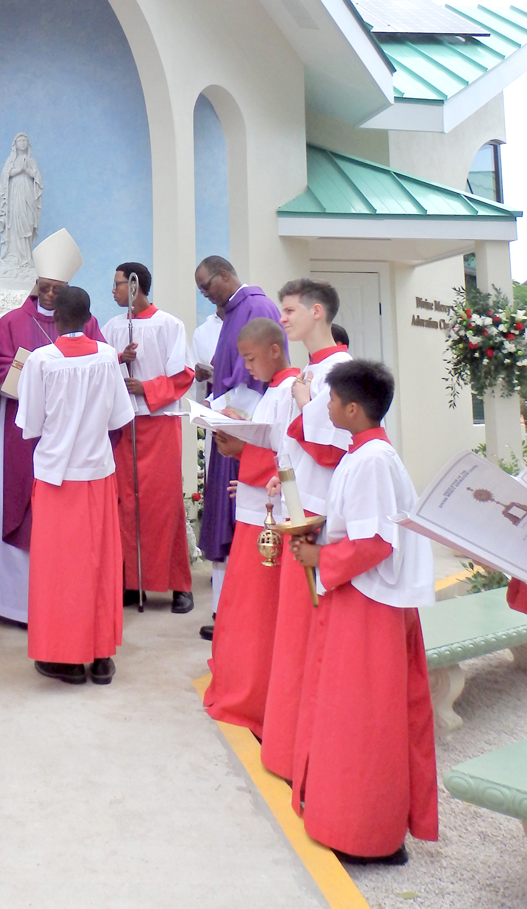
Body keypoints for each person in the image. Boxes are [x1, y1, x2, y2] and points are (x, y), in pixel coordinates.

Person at [289, 360, 436, 864]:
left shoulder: (373, 459)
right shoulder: (365, 452)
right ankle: (343, 815)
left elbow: (374, 542)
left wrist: (320, 558)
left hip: (369, 606)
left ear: (352, 409)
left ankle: (368, 832)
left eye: (330, 399)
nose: (324, 405)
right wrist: (321, 529)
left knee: (363, 720)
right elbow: (359, 521)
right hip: (358, 598)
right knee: (345, 713)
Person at [0, 229, 105, 624]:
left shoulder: (88, 324)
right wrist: (15, 376)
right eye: (45, 287)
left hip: (72, 437)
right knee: (20, 505)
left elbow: (100, 369)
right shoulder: (13, 321)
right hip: (21, 434)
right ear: (35, 285)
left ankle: (62, 600)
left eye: (57, 288)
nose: (50, 295)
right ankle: (13, 602)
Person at [261, 278, 352, 780]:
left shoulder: (340, 370)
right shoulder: (314, 371)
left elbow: (335, 445)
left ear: (318, 312)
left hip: (320, 518)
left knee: (308, 637)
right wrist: (283, 469)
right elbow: (304, 444)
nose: (284, 316)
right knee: (293, 635)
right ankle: (289, 742)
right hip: (300, 504)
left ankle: (307, 749)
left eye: (291, 309)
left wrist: (301, 402)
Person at [18, 286, 133, 685]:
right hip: (98, 473)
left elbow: (30, 424)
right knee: (99, 564)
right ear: (88, 317)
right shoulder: (106, 356)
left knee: (59, 572)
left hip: (56, 477)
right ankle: (101, 656)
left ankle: (65, 658)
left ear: (55, 317)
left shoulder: (41, 361)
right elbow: (121, 417)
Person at [202, 318, 297, 736]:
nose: (247, 367)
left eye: (251, 358)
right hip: (254, 509)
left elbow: (294, 456)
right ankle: (236, 683)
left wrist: (242, 450)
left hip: (269, 519)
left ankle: (252, 696)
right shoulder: (274, 391)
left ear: (274, 350)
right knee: (240, 609)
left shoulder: (292, 391)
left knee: (256, 616)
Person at [193, 256, 284, 640]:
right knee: (225, 515)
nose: (205, 295)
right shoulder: (233, 310)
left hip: (245, 429)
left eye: (206, 287)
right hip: (228, 423)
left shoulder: (256, 307)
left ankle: (236, 612)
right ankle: (224, 609)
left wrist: (228, 411)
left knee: (240, 516)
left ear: (226, 276)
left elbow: (257, 380)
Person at [102, 263, 195, 613]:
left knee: (164, 504)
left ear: (135, 285)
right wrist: (117, 357)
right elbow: (99, 367)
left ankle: (178, 586)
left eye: (117, 284)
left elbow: (183, 374)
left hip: (159, 422)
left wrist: (147, 388)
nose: (112, 291)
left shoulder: (169, 325)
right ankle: (130, 582)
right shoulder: (112, 328)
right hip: (124, 424)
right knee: (126, 504)